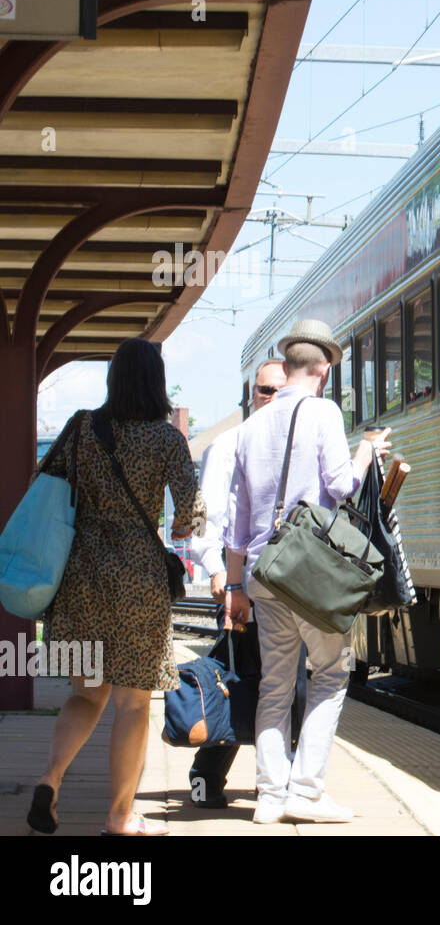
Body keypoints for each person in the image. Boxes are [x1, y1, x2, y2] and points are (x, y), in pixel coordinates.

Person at [27, 339, 205, 836]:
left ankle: (49, 780)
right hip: (138, 582)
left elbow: (44, 485)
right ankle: (120, 816)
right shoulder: (167, 439)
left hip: (81, 575)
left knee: (85, 696)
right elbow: (188, 518)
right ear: (155, 382)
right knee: (131, 704)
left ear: (114, 380)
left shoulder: (83, 427)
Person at [223, 319, 389, 824]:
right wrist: (365, 454)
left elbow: (235, 517)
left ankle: (270, 797)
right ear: (320, 371)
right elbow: (340, 487)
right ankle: (306, 791)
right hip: (310, 575)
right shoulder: (323, 411)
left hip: (264, 572)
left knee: (274, 685)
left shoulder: (248, 428)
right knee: (331, 676)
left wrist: (235, 586)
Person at [186, 359, 286, 808]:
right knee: (236, 676)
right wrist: (219, 575)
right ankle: (208, 778)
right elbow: (208, 519)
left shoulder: (296, 444)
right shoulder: (228, 445)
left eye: (282, 391)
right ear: (250, 395)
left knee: (276, 682)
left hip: (288, 588)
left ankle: (281, 781)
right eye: (266, 390)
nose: (274, 398)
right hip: (241, 586)